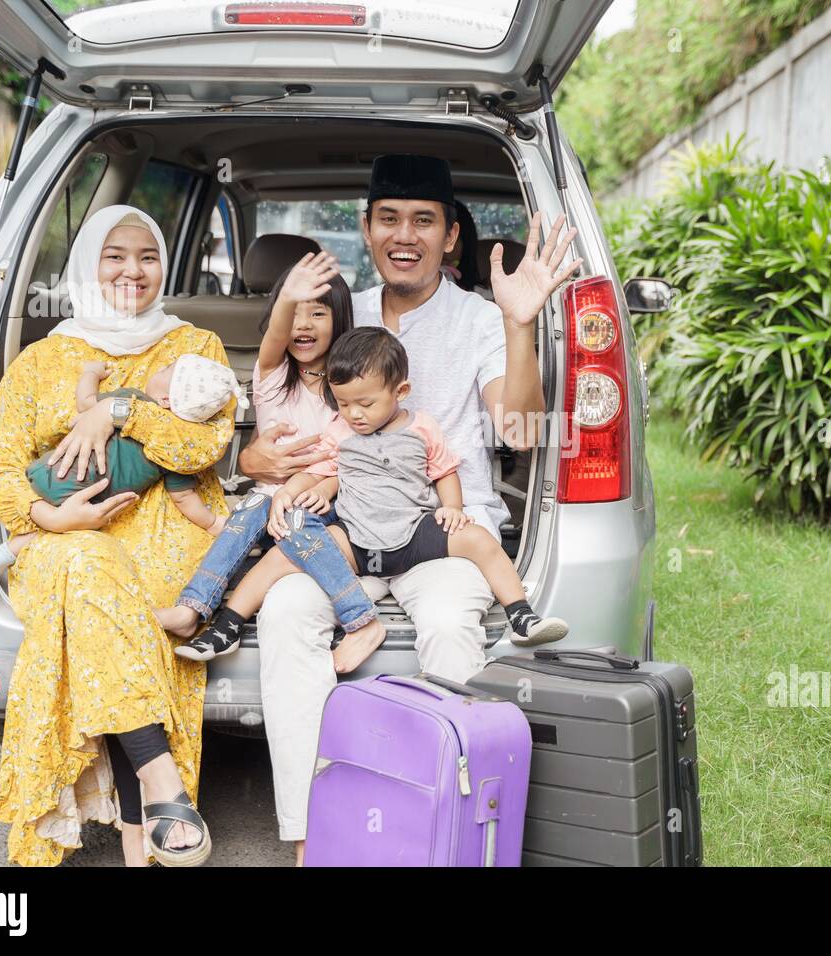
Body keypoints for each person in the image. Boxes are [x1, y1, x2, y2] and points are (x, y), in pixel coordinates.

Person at [239, 153, 582, 861]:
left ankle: (438, 836)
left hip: (443, 532)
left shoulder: (483, 321)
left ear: (450, 237)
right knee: (285, 611)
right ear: (365, 229)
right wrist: (259, 460)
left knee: (453, 623)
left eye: (423, 220)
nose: (405, 234)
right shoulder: (339, 315)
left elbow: (518, 431)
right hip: (351, 535)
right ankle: (309, 838)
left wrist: (521, 325)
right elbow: (283, 416)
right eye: (389, 218)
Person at [0, 204, 236, 866]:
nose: (132, 270)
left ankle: (135, 831)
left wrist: (115, 410)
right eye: (114, 256)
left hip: (166, 530)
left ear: (166, 266)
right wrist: (51, 519)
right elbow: (1, 473)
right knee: (90, 565)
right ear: (88, 261)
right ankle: (159, 789)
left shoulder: (194, 346)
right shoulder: (44, 358)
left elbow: (200, 444)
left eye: (148, 256)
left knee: (120, 586)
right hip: (57, 538)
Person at [183, 327, 568, 669]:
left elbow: (444, 471)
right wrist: (293, 490)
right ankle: (228, 625)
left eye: (365, 404)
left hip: (414, 534)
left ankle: (521, 615)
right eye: (344, 403)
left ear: (401, 391)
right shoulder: (340, 430)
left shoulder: (422, 428)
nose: (354, 414)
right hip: (355, 539)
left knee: (479, 540)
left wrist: (452, 507)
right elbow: (323, 469)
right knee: (283, 554)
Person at [153, 252, 382, 660]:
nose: (302, 325)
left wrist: (324, 486)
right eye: (293, 312)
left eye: (317, 314)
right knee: (244, 518)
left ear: (341, 321)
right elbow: (275, 338)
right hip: (268, 495)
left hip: (323, 501)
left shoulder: (351, 389)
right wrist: (285, 301)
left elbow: (355, 458)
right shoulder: (274, 378)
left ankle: (359, 620)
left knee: (294, 518)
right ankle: (193, 608)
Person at [0, 353, 246, 580]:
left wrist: (92, 373)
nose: (159, 368)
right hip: (84, 497)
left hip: (48, 470)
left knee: (59, 522)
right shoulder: (175, 452)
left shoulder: (131, 399)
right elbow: (185, 497)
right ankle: (6, 553)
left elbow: (85, 402)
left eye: (166, 370)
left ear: (165, 400)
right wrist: (211, 523)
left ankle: (5, 552)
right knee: (68, 531)